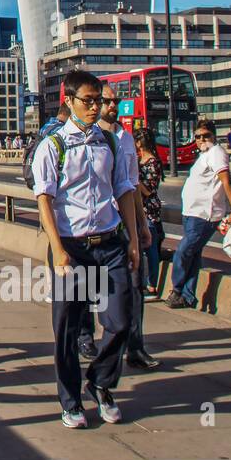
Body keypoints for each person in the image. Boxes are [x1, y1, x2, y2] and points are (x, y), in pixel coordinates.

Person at [31, 70, 140, 428]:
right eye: (88, 101)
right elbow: (44, 199)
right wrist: (57, 249)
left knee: (121, 322)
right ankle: (71, 400)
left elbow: (124, 189)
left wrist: (135, 240)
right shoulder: (53, 146)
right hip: (72, 248)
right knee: (67, 328)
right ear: (70, 101)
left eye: (101, 101)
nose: (96, 107)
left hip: (109, 243)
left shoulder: (108, 143)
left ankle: (101, 382)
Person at [97, 85, 158, 370]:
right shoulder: (89, 138)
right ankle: (93, 341)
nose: (112, 106)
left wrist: (141, 225)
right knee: (92, 293)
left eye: (115, 101)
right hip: (96, 228)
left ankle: (136, 347)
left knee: (135, 287)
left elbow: (132, 187)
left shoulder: (126, 138)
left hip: (123, 225)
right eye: (106, 101)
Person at [168, 120, 231, 310]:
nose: (202, 139)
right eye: (198, 137)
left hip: (204, 216)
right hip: (192, 214)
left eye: (206, 135)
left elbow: (226, 182)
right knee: (192, 256)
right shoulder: (205, 154)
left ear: (214, 136)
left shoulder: (217, 153)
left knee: (183, 253)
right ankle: (187, 296)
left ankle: (176, 290)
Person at [134, 127, 166, 300]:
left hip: (149, 210)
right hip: (140, 210)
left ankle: (152, 285)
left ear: (139, 143)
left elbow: (147, 191)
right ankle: (143, 282)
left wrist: (134, 178)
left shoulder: (152, 162)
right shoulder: (140, 161)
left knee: (151, 250)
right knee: (143, 249)